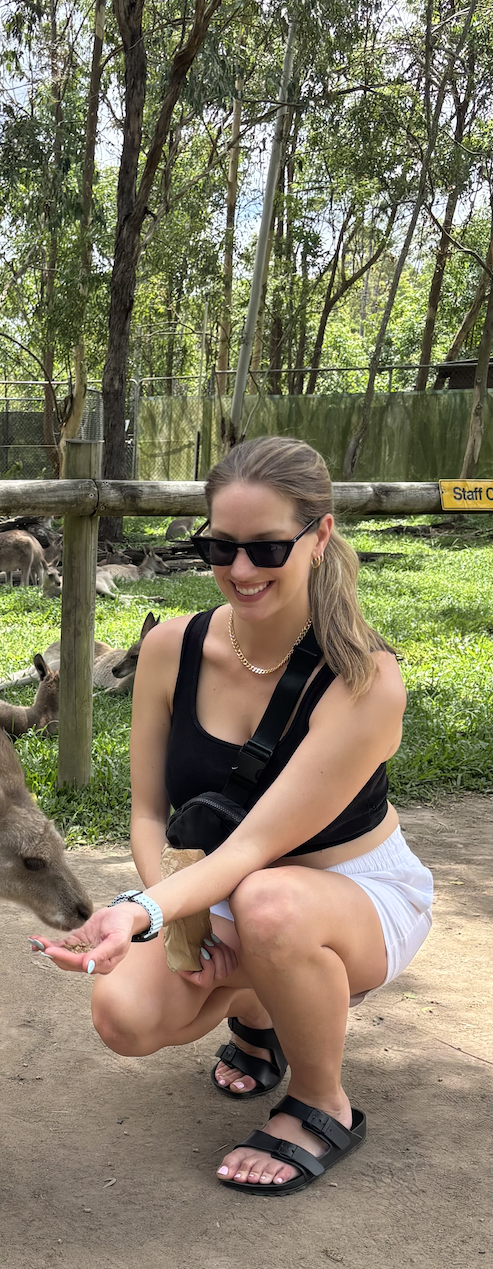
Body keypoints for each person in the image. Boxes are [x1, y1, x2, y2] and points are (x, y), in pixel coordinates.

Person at [36, 437, 433, 1195]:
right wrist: (175, 925)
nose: (241, 571)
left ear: (319, 537)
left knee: (268, 904)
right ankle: (261, 1014)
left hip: (348, 892)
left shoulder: (363, 680)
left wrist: (143, 912)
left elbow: (257, 847)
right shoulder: (170, 648)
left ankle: (322, 1099)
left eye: (267, 549)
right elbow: (151, 814)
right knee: (124, 1015)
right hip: (219, 884)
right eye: (220, 547)